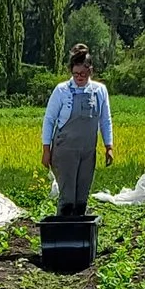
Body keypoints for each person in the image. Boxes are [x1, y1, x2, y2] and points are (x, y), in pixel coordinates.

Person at [40, 43, 114, 216]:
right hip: (65, 151)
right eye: (75, 74)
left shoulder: (100, 91)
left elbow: (105, 119)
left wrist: (109, 146)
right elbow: (49, 120)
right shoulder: (61, 91)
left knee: (82, 198)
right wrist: (46, 150)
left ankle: (80, 236)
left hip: (88, 151)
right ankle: (63, 235)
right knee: (67, 198)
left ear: (91, 71)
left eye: (83, 73)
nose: (79, 77)